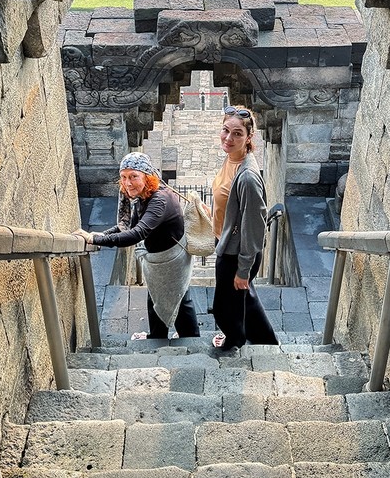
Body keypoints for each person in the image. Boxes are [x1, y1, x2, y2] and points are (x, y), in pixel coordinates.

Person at [75, 152, 200, 340]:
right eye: (124, 177)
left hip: (170, 261)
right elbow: (128, 226)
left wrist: (96, 240)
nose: (127, 183)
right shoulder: (143, 197)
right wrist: (101, 235)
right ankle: (162, 336)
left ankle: (188, 339)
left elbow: (136, 234)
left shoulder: (159, 201)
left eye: (134, 176)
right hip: (161, 258)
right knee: (163, 298)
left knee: (179, 299)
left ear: (147, 177)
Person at [211, 105, 278, 355]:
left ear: (249, 137)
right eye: (226, 130)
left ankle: (234, 341)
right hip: (227, 240)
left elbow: (254, 227)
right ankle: (266, 340)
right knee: (243, 299)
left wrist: (243, 270)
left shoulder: (248, 177)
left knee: (225, 306)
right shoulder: (231, 158)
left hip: (238, 252)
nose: (228, 138)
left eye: (237, 134)